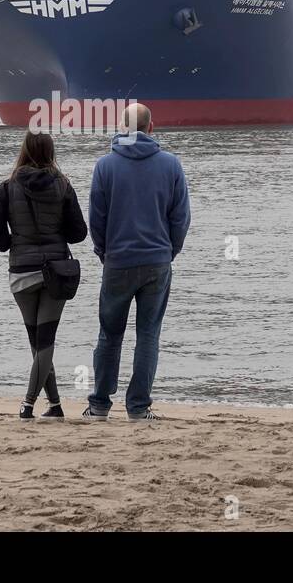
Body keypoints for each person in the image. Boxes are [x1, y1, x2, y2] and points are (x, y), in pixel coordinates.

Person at [84, 103, 191, 421]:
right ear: (151, 128)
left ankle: (100, 405)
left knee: (109, 333)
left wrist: (105, 253)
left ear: (121, 126)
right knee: (148, 335)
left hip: (117, 261)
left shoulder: (105, 166)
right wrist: (169, 251)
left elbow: (96, 219)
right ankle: (139, 407)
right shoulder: (171, 165)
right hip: (157, 261)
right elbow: (181, 217)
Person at [0, 130, 88, 420]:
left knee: (37, 342)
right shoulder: (63, 185)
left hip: (21, 272)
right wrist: (56, 233)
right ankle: (28, 405)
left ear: (24, 150)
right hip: (55, 272)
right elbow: (79, 233)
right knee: (46, 342)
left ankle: (54, 406)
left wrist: (14, 244)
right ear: (51, 152)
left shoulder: (7, 186)